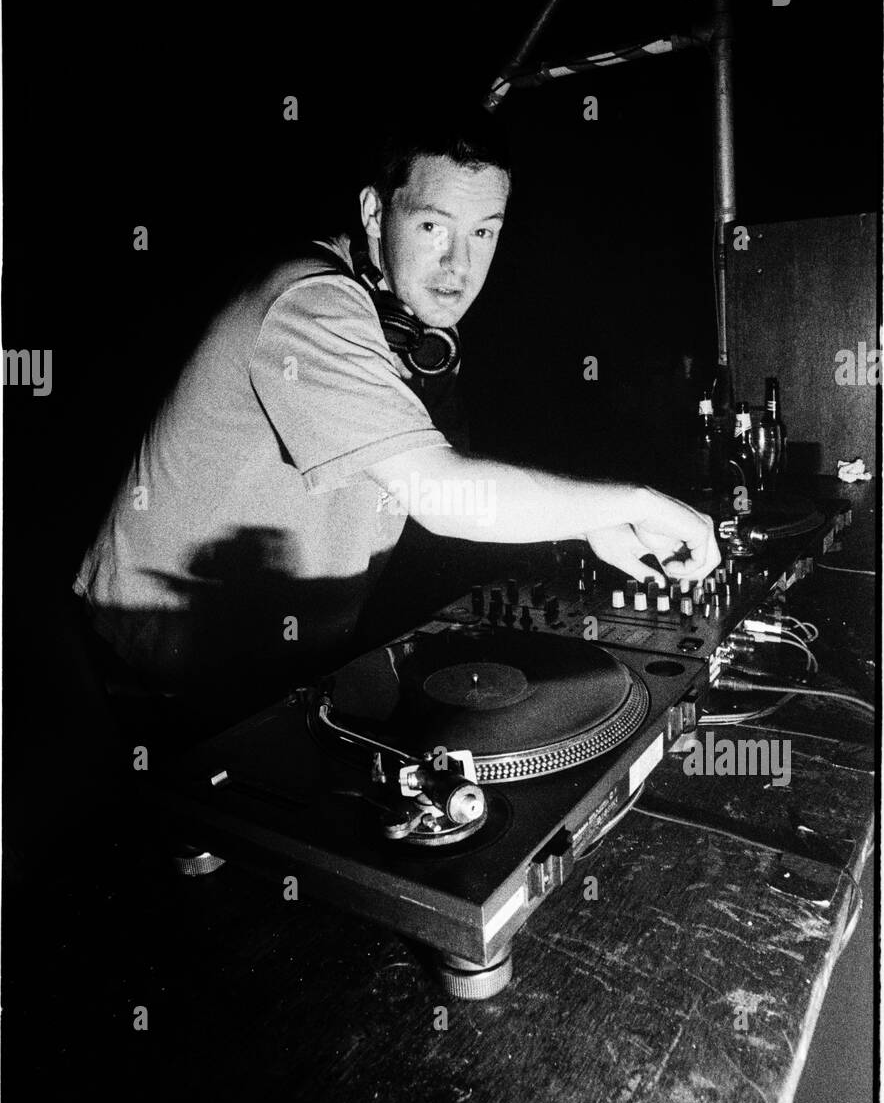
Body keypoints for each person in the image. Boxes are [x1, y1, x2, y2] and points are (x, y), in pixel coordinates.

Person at [73, 111, 720, 742]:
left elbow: (454, 490)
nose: (457, 265)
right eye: (434, 225)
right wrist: (634, 501)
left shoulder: (418, 328)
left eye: (483, 233)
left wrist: (592, 523)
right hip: (165, 674)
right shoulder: (313, 302)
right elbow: (444, 497)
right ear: (376, 214)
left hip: (276, 668)